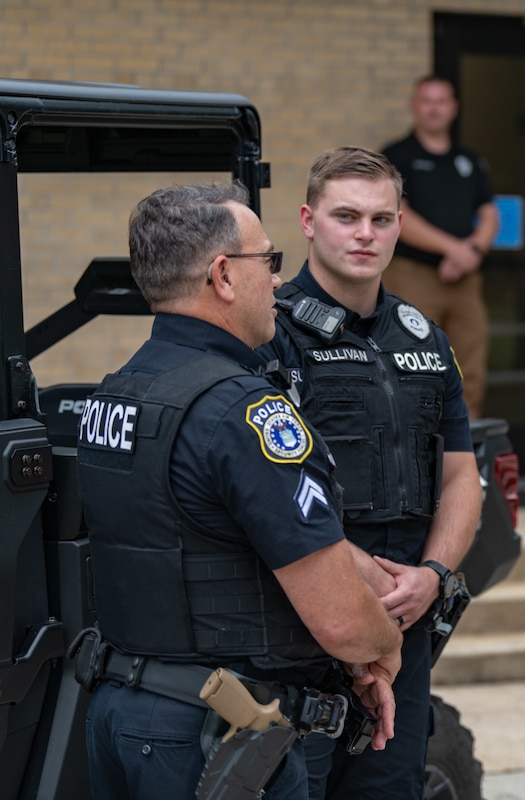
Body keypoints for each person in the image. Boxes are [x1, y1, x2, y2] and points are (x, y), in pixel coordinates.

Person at [76, 182, 404, 800]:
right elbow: (341, 621)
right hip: (217, 735)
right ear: (224, 276)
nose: (279, 282)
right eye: (269, 261)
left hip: (119, 712)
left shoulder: (115, 393)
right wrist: (386, 646)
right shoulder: (243, 412)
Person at [260, 146, 482, 799]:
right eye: (346, 216)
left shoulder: (425, 339)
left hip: (403, 620)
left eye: (382, 219)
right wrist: (365, 576)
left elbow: (461, 476)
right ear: (307, 219)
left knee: (390, 787)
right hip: (303, 624)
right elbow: (265, 493)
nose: (365, 234)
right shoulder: (270, 335)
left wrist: (432, 575)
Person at [381, 74, 498, 419]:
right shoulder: (395, 157)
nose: (434, 109)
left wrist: (472, 252)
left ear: (454, 108)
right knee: (412, 361)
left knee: (470, 366)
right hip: (413, 276)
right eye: (427, 101)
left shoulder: (470, 161)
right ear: (414, 107)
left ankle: (468, 452)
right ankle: (415, 447)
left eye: (441, 101)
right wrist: (454, 249)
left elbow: (489, 213)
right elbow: (397, 213)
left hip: (464, 280)